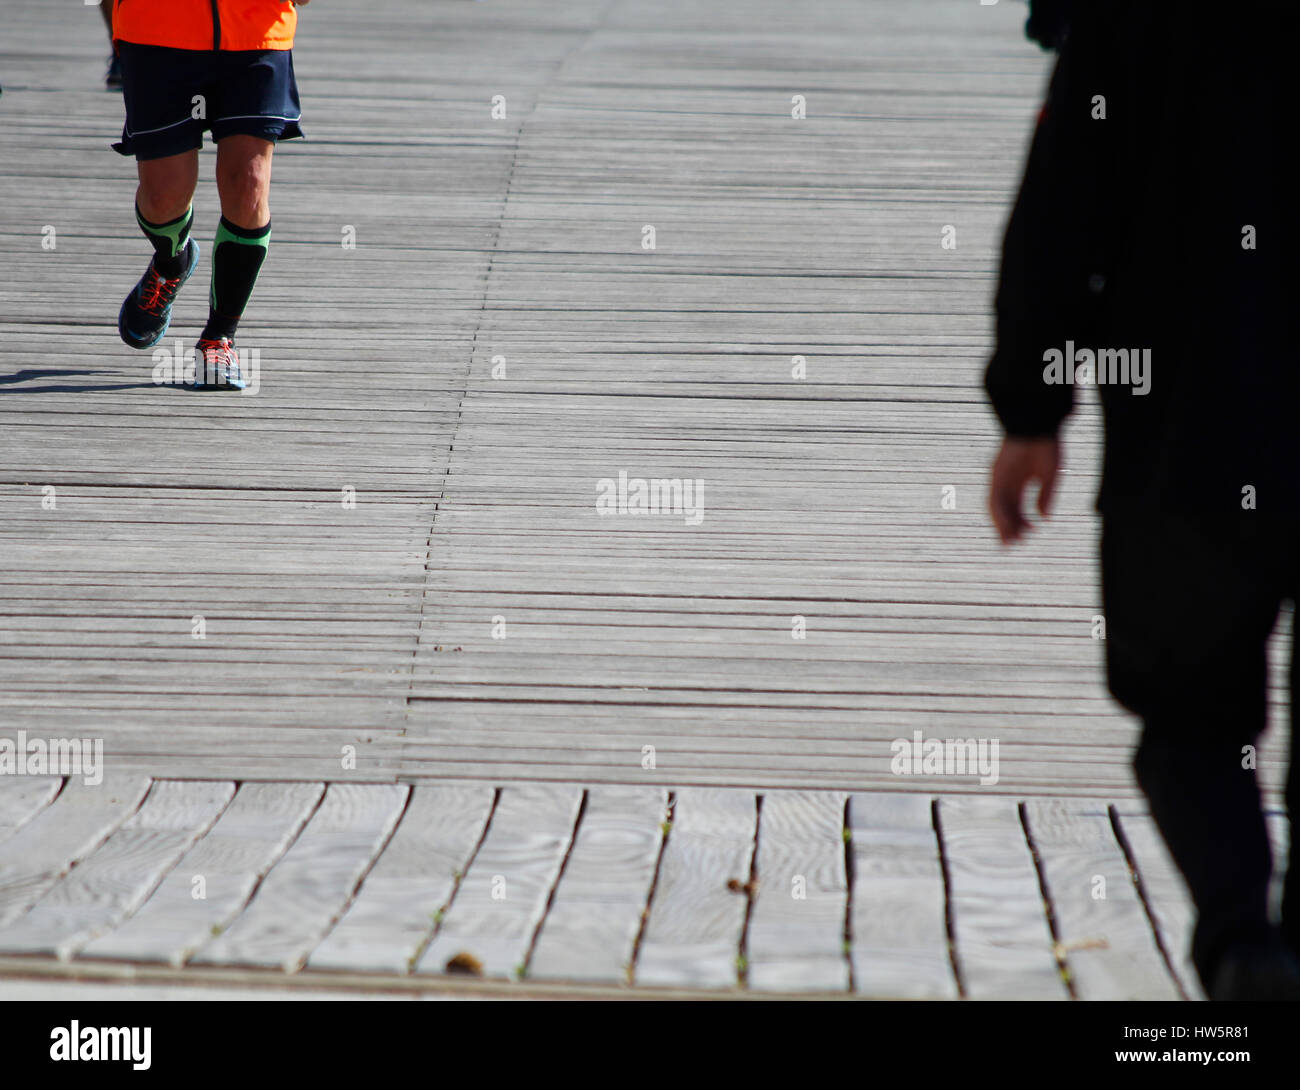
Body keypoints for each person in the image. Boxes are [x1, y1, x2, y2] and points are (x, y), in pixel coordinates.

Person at [985, 0, 1300, 1000]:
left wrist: (1031, 407)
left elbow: (1066, 196)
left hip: (1191, 421)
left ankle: (1243, 936)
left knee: (1187, 710)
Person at [110, 0, 309, 389]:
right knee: (163, 198)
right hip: (159, 31)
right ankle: (172, 263)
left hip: (257, 33)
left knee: (248, 184)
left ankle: (219, 338)